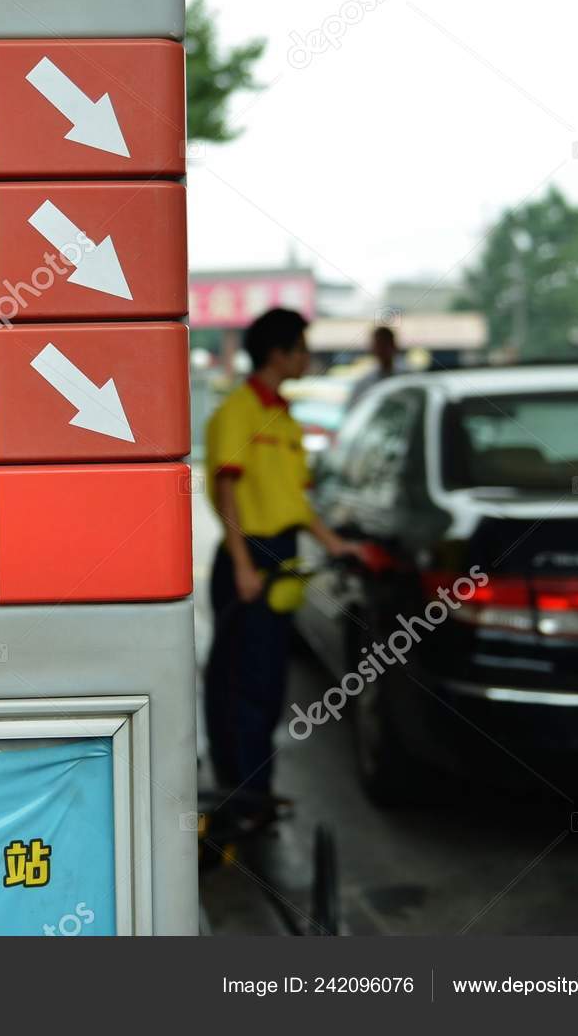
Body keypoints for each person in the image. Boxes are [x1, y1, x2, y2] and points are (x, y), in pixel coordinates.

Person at [203, 308, 356, 810]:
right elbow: (227, 488)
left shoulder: (284, 417)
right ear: (278, 353)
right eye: (302, 349)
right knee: (240, 682)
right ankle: (242, 791)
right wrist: (243, 564)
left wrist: (332, 542)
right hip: (247, 557)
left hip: (281, 557)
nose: (307, 358)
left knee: (268, 682)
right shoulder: (238, 412)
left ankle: (257, 790)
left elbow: (294, 499)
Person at [346, 324, 398, 406]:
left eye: (385, 345)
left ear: (393, 346)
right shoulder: (364, 383)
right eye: (379, 345)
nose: (382, 350)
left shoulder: (407, 379)